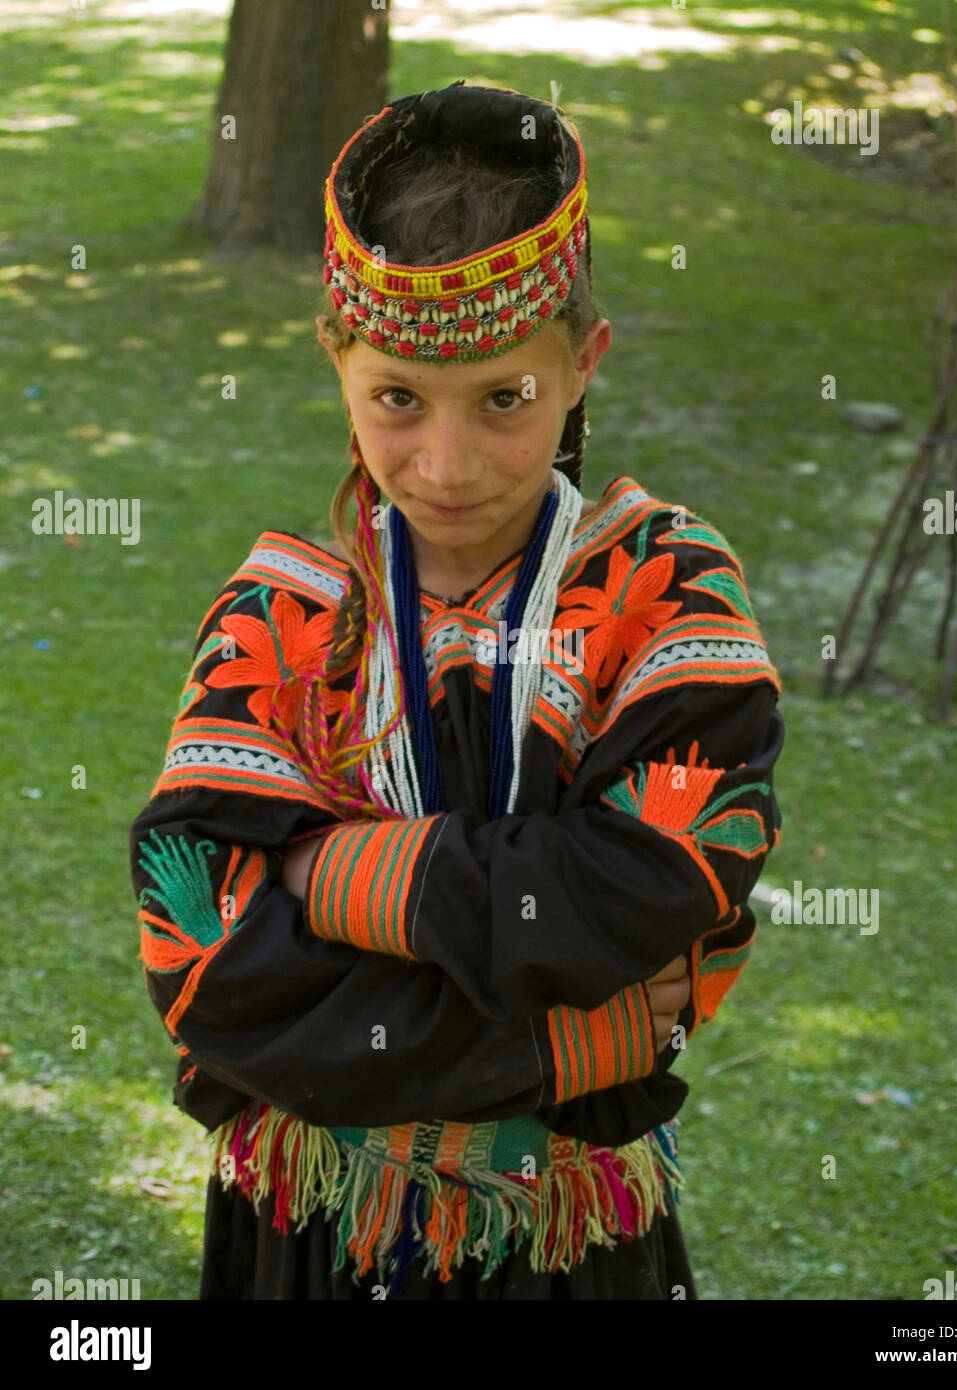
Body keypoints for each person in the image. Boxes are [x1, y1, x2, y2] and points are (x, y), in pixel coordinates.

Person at [128, 80, 784, 1300]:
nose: (445, 464)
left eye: (503, 400)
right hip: (312, 1230)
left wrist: (330, 875)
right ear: (337, 360)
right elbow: (207, 967)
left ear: (580, 364)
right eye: (396, 400)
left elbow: (654, 891)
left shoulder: (664, 600)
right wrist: (569, 1036)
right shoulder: (279, 621)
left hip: (561, 1241)